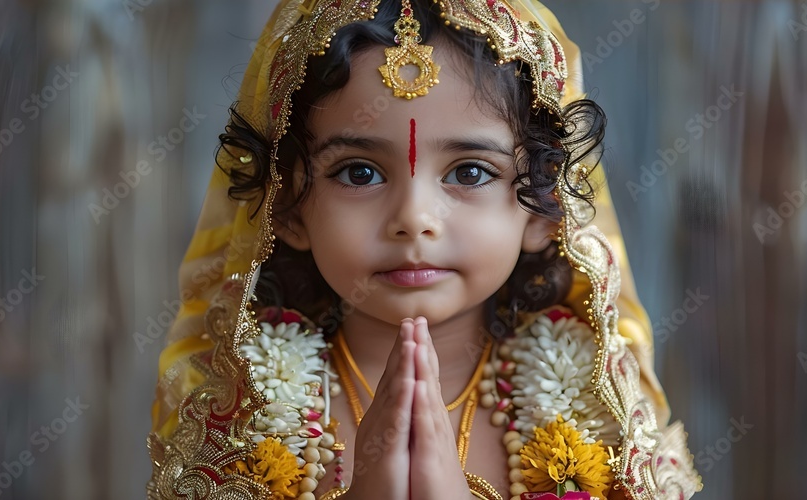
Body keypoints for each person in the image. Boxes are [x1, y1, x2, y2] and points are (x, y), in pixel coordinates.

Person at [146, 1, 701, 499]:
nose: (414, 219)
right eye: (359, 172)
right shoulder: (235, 411)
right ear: (288, 207)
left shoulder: (601, 411)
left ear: (543, 206)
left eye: (470, 171)